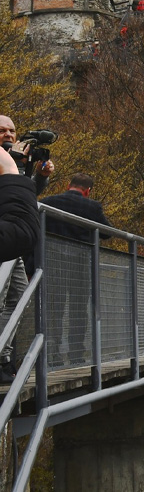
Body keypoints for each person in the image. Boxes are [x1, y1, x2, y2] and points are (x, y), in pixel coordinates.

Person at [40, 172, 113, 367]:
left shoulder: (48, 203)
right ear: (87, 191)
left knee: (54, 308)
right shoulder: (92, 207)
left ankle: (53, 355)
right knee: (78, 309)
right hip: (80, 263)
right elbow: (107, 233)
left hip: (53, 262)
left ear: (68, 185)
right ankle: (76, 354)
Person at [0, 146, 38, 382]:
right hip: (9, 228)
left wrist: (38, 175)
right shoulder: (7, 160)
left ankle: (3, 355)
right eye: (3, 130)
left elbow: (33, 196)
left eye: (11, 131)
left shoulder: (16, 160)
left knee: (19, 297)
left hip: (13, 242)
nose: (8, 134)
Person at [0, 114, 55, 195]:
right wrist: (18, 164)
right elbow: (12, 194)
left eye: (12, 131)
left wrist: (41, 176)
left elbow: (27, 194)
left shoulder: (18, 155)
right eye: (1, 131)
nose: (8, 134)